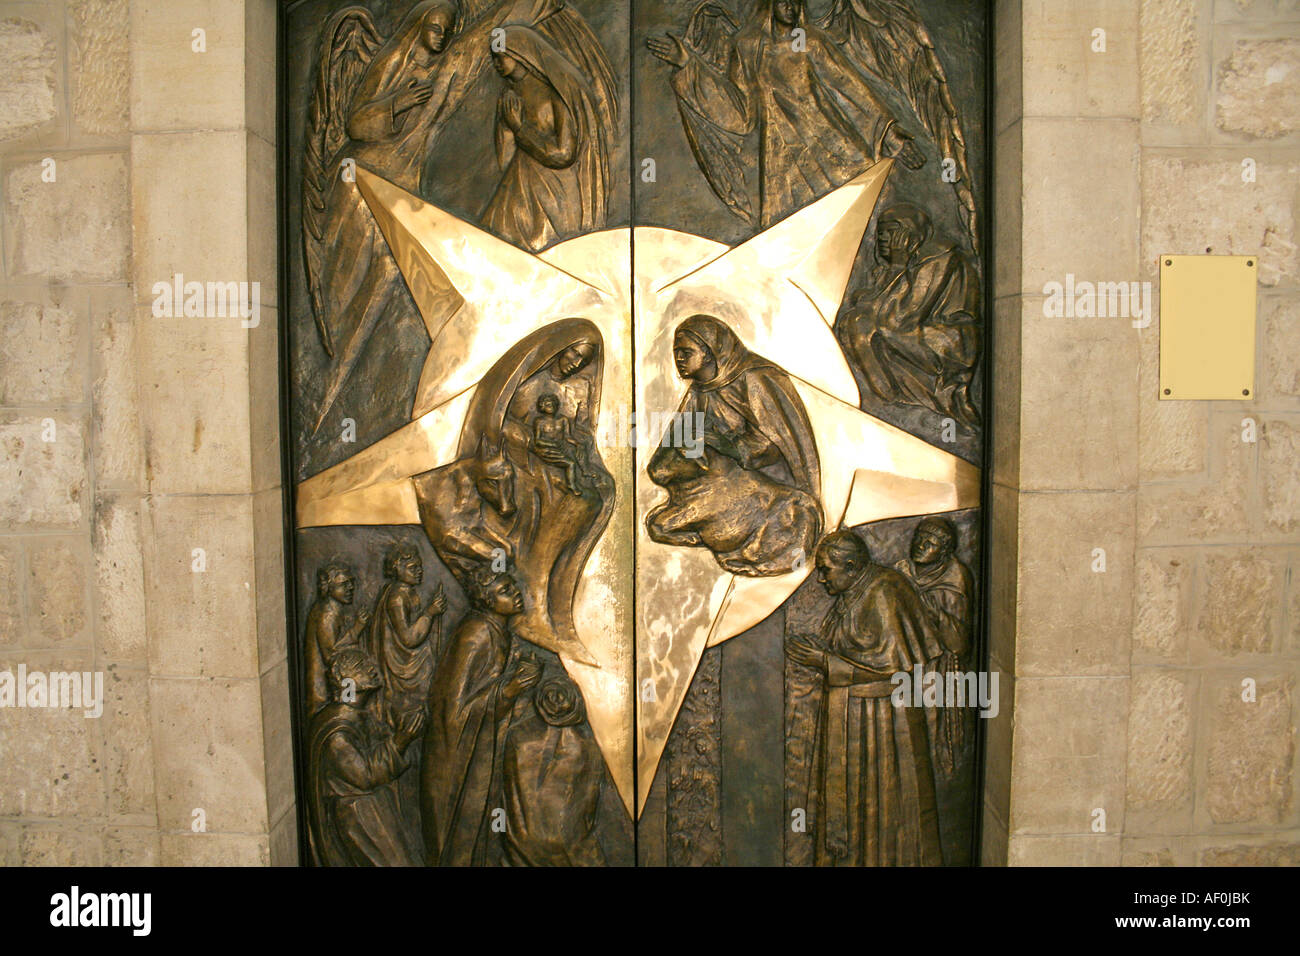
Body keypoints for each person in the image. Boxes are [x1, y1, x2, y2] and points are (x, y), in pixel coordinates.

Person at [647, 0, 924, 227]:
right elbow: (739, 113)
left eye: (796, 1)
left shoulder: (810, 42)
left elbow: (849, 87)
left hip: (830, 148)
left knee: (849, 225)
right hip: (782, 162)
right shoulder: (747, 46)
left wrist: (890, 134)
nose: (790, 6)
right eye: (783, 1)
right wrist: (688, 64)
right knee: (790, 238)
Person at [787, 530, 944, 866]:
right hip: (855, 713)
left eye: (827, 570)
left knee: (884, 802)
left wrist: (824, 662)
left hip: (885, 720)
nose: (822, 578)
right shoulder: (853, 592)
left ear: (852, 565)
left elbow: (891, 668)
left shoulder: (885, 592)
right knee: (857, 802)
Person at [647, 314, 821, 576]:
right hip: (721, 479)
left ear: (708, 352)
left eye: (686, 352)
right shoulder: (700, 390)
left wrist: (715, 441)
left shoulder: (755, 378)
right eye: (676, 353)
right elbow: (678, 440)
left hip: (761, 481)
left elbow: (769, 445)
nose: (679, 360)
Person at [421, 567, 541, 865]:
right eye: (504, 590)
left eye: (512, 585)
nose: (515, 592)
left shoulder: (497, 631)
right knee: (462, 840)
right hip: (457, 758)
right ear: (486, 601)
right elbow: (453, 709)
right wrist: (510, 689)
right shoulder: (476, 634)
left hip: (482, 747)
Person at [836, 203, 981, 428]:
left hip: (948, 344)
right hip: (913, 335)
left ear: (909, 232)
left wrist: (897, 265)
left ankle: (888, 398)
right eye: (880, 231)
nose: (883, 238)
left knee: (860, 324)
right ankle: (883, 399)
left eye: (891, 231)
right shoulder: (907, 264)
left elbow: (898, 319)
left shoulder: (939, 259)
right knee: (854, 321)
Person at [481, 23, 614, 251]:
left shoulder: (557, 91)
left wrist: (520, 128)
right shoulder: (510, 95)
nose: (496, 64)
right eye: (494, 58)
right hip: (518, 190)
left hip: (553, 194)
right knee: (495, 246)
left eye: (501, 57)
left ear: (519, 51)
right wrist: (506, 125)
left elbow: (564, 153)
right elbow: (504, 156)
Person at [306, 648, 426, 866]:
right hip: (358, 815)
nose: (371, 668)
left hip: (374, 807)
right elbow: (365, 775)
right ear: (346, 681)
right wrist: (400, 741)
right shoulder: (337, 734)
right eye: (360, 666)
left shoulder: (359, 717)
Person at [894, 516, 974, 775]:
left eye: (930, 542)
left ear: (944, 552)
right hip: (900, 660)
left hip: (936, 670)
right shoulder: (901, 571)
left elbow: (960, 642)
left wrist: (937, 615)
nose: (920, 545)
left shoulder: (955, 580)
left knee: (929, 730)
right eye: (919, 538)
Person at [367, 545, 446, 725]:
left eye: (419, 566)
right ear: (396, 569)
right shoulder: (397, 597)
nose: (419, 571)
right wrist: (430, 612)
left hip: (412, 663)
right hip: (403, 669)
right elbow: (409, 639)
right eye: (412, 568)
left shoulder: (408, 592)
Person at [304, 563, 370, 718]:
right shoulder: (327, 614)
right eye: (343, 584)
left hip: (339, 683)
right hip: (326, 690)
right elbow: (332, 656)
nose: (350, 588)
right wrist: (358, 627)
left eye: (351, 583)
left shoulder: (336, 609)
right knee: (342, 716)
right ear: (328, 587)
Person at [530, 393, 584, 494]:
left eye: (554, 405)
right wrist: (552, 444)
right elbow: (537, 441)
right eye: (549, 405)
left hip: (560, 447)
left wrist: (577, 443)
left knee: (576, 450)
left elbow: (567, 437)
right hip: (547, 450)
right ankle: (571, 485)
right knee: (570, 464)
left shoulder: (563, 420)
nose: (552, 408)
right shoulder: (539, 421)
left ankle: (585, 470)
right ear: (542, 406)